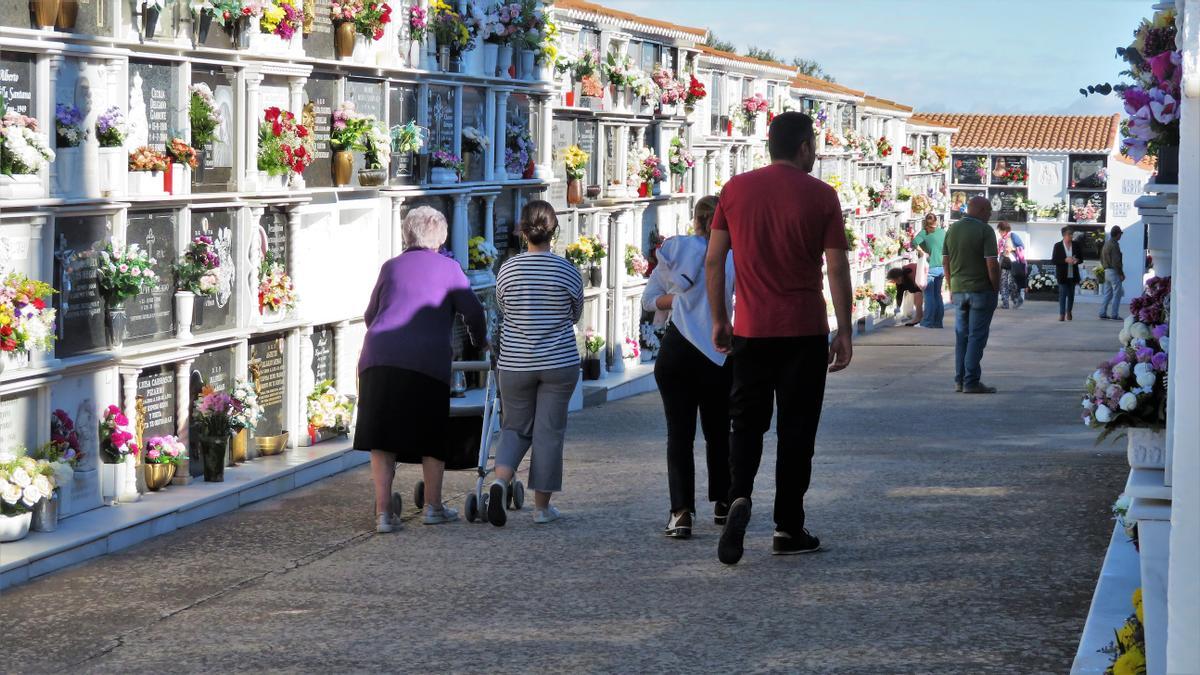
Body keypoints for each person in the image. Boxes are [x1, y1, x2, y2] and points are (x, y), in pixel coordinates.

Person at [704, 112, 853, 565]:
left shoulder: (734, 190)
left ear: (770, 145)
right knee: (797, 430)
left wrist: (718, 318)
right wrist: (845, 329)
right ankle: (788, 526)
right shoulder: (822, 196)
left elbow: (714, 261)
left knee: (746, 423)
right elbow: (837, 266)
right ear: (805, 146)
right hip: (804, 329)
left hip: (751, 328)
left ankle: (738, 497)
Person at [355, 206, 488, 533]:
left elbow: (370, 315)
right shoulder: (450, 269)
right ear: (441, 237)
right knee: (431, 434)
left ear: (407, 235)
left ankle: (384, 513)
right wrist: (480, 341)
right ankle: (433, 507)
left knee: (382, 437)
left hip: (379, 357)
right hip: (426, 361)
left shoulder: (391, 267)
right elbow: (473, 312)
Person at [643, 196, 735, 539]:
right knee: (717, 431)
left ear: (695, 220)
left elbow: (649, 300)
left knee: (678, 434)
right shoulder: (733, 256)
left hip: (678, 350)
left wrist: (679, 299)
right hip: (719, 348)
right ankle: (723, 502)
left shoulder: (676, 251)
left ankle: (681, 513)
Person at [488, 200, 584, 527]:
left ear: (522, 230)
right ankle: (542, 508)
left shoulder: (508, 269)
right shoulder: (566, 270)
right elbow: (575, 313)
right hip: (558, 361)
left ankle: (500, 482)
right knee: (548, 431)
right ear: (553, 230)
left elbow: (503, 308)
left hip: (515, 361)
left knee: (514, 426)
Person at [943, 196, 1000, 394]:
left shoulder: (952, 229)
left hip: (959, 290)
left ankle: (959, 380)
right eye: (989, 210)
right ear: (981, 210)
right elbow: (992, 264)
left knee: (962, 336)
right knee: (976, 336)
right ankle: (971, 381)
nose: (991, 214)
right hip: (980, 290)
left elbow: (946, 262)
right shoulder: (985, 231)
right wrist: (996, 287)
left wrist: (951, 286)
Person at [912, 213, 945, 328]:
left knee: (929, 295)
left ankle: (927, 322)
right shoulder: (942, 232)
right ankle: (938, 322)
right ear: (937, 221)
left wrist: (922, 252)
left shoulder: (924, 233)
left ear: (925, 222)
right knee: (938, 295)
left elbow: (914, 242)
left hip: (930, 266)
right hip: (942, 267)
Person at [1052, 226, 1083, 321]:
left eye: (1071, 234)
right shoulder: (1058, 245)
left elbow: (1081, 258)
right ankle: (1062, 314)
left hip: (1073, 274)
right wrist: (1065, 260)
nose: (1071, 236)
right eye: (1069, 234)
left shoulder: (1076, 245)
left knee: (1071, 295)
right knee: (1062, 294)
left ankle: (1069, 311)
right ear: (1064, 235)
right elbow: (1054, 260)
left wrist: (1076, 260)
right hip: (1062, 274)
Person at [996, 222, 1025, 310]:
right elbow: (999, 250)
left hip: (1012, 261)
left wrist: (1012, 249)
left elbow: (1022, 247)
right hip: (1003, 261)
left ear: (1005, 230)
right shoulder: (1001, 240)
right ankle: (1005, 303)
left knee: (1012, 283)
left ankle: (1017, 299)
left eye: (1000, 230)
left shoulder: (1013, 236)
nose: (999, 232)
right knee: (1003, 282)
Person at [1099, 226, 1124, 320]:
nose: (1120, 236)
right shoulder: (1114, 245)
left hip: (1106, 271)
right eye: (1120, 234)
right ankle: (1114, 314)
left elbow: (1101, 259)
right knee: (1117, 294)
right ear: (1117, 234)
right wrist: (1121, 273)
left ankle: (1102, 312)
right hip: (1114, 271)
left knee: (1107, 294)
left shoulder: (1106, 244)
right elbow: (1116, 261)